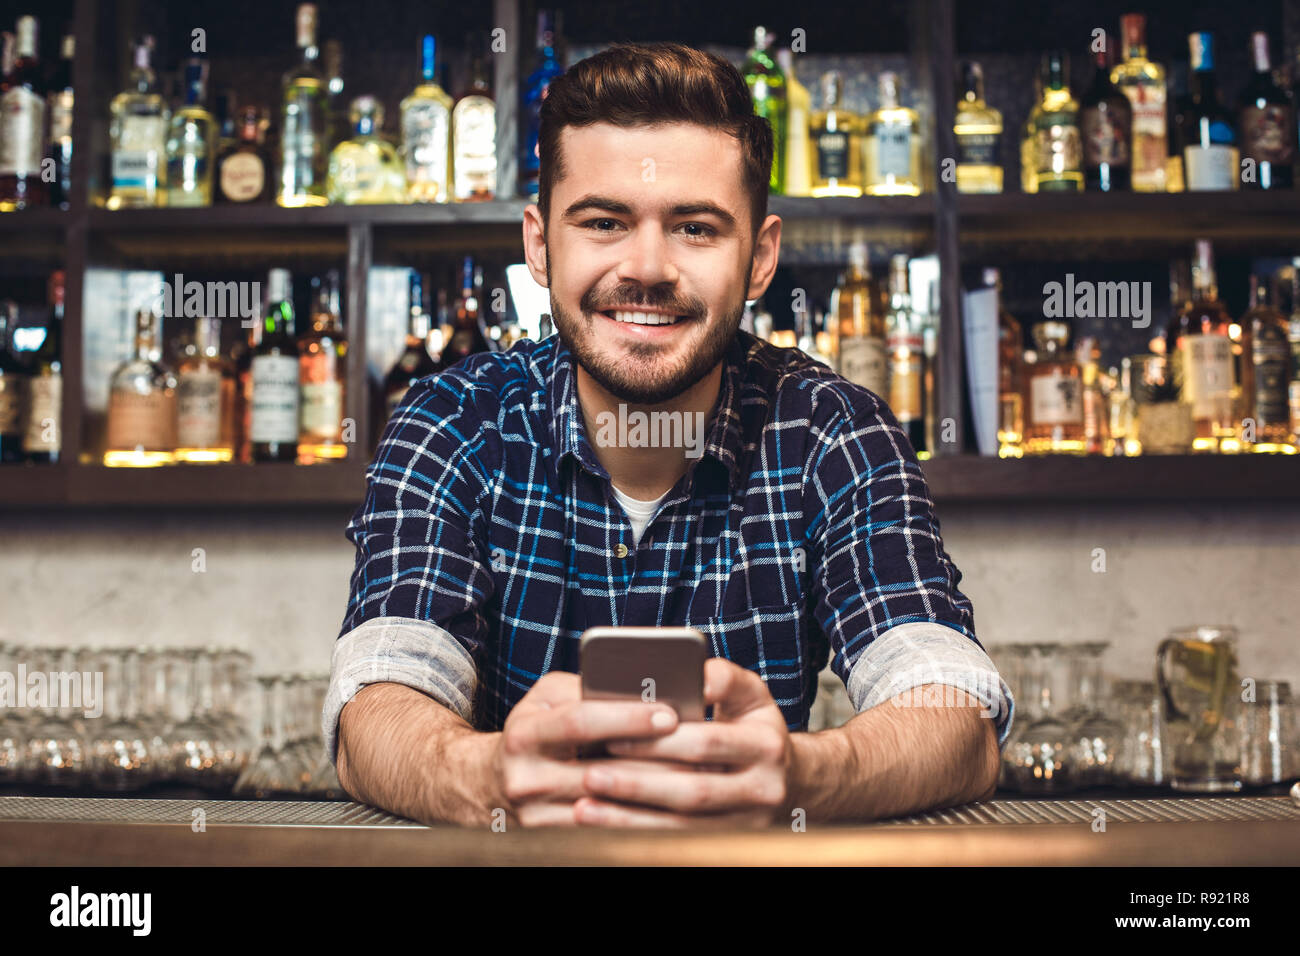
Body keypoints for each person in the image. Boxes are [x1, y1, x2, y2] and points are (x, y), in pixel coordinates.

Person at [324, 41, 1014, 828]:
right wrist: (484, 772)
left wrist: (802, 772)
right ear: (538, 244)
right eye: (604, 221)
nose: (646, 267)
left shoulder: (834, 431)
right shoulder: (451, 423)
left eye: (694, 228)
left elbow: (957, 716)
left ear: (759, 259)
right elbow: (375, 708)